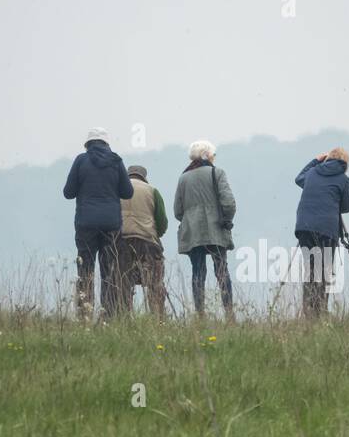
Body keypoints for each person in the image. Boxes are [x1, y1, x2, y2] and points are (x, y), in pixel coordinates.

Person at [63, 127, 133, 320]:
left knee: (85, 269)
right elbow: (128, 192)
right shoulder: (116, 161)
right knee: (109, 270)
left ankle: (84, 313)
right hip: (111, 224)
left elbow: (68, 192)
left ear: (88, 144)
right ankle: (108, 316)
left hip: (86, 223)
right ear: (107, 143)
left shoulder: (80, 160)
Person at [174, 140, 237, 320]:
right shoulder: (217, 173)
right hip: (216, 229)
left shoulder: (183, 178)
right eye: (213, 155)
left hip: (192, 233)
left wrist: (191, 220)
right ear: (208, 156)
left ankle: (200, 315)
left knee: (198, 272)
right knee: (222, 271)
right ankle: (229, 314)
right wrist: (227, 220)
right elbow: (229, 202)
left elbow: (178, 211)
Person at [293, 148, 349, 318]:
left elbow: (299, 179)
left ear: (326, 159)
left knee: (310, 270)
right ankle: (320, 310)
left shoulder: (312, 173)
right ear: (345, 163)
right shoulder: (343, 179)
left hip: (304, 228)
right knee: (325, 270)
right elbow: (347, 206)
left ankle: (308, 311)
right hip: (327, 230)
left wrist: (315, 160)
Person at [116, 164, 169, 318]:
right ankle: (158, 316)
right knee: (155, 283)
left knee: (123, 283)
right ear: (144, 177)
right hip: (148, 242)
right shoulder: (152, 191)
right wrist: (155, 234)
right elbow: (162, 222)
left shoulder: (117, 190)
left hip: (122, 241)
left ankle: (124, 316)